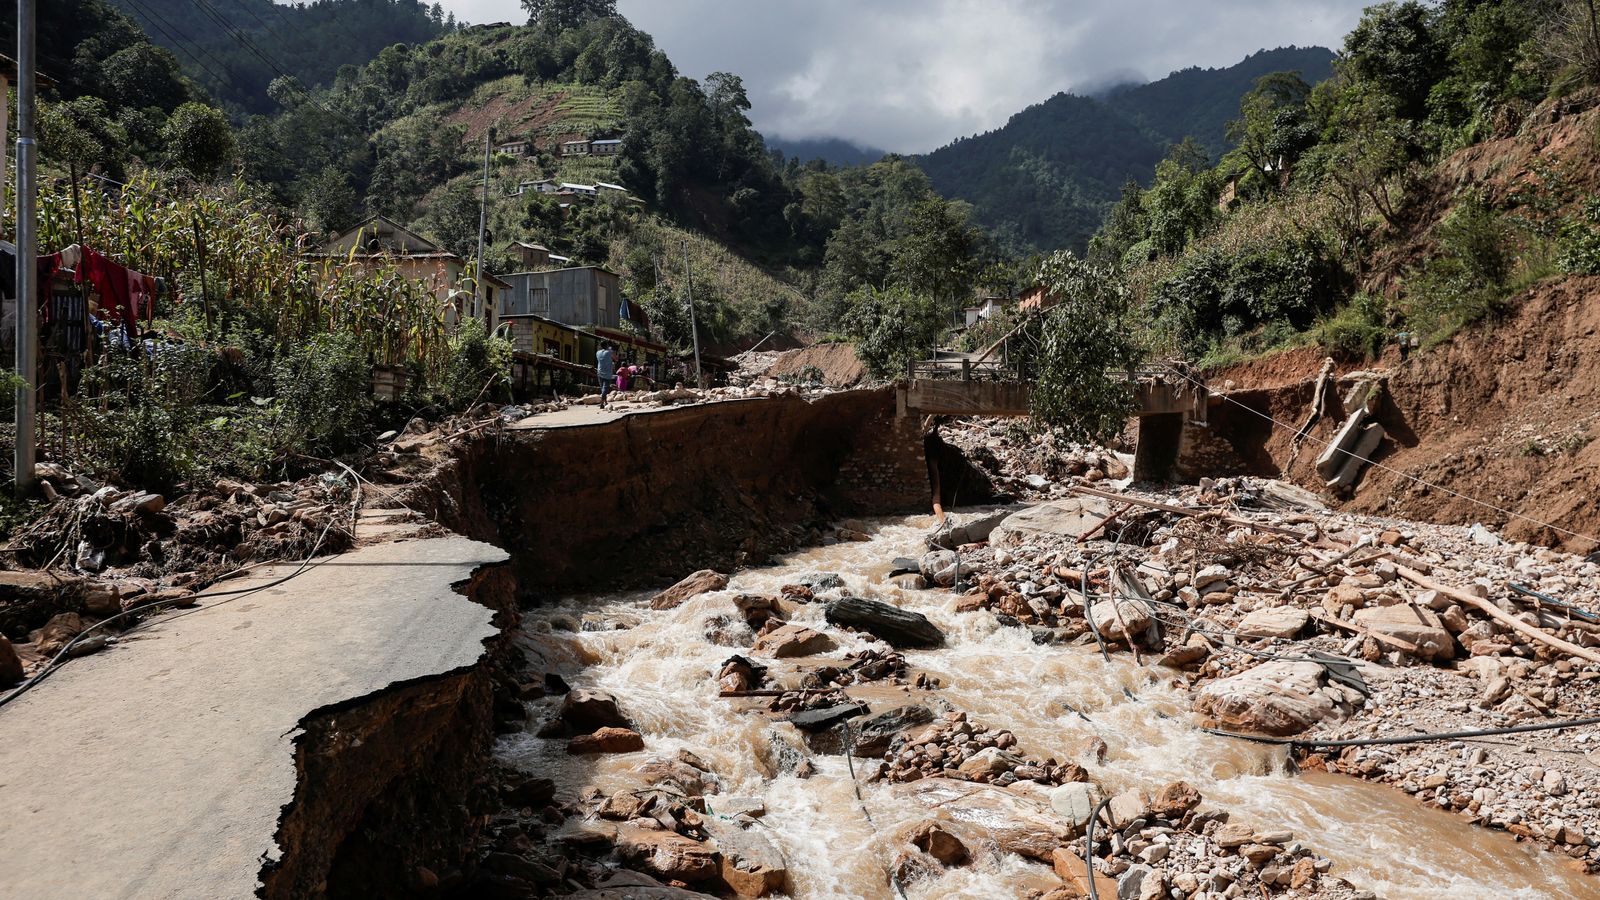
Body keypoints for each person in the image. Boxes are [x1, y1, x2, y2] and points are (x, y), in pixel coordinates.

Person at [596, 342, 616, 408]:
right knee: (605, 388)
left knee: (602, 388)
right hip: (607, 373)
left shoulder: (598, 353)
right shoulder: (609, 352)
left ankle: (605, 402)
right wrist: (611, 350)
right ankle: (602, 402)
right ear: (607, 346)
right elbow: (616, 358)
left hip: (599, 372)